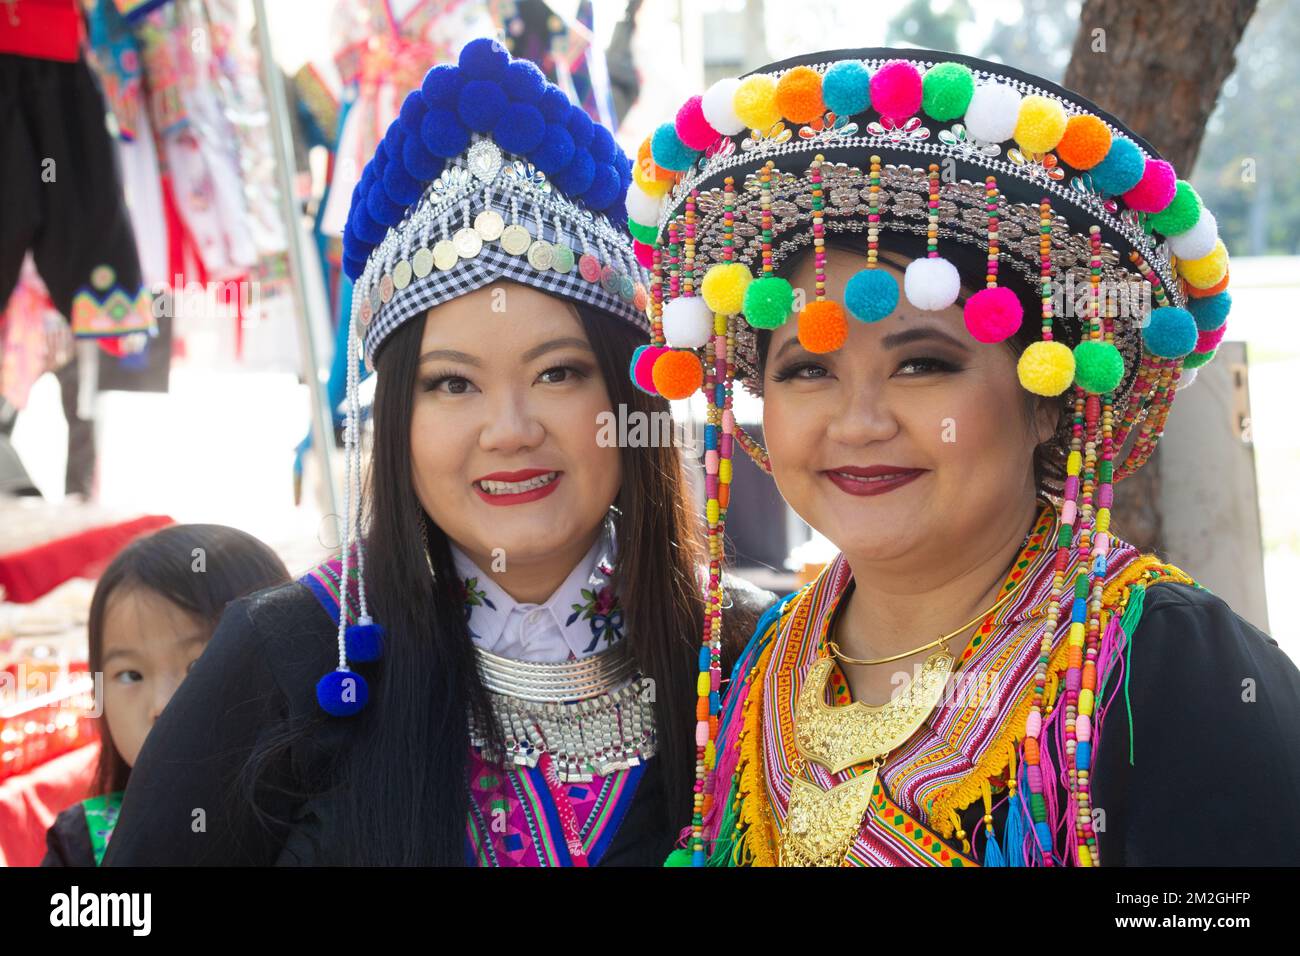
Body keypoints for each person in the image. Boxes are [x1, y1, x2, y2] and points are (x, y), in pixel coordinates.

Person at [103, 37, 772, 867]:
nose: (510, 428)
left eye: (559, 373)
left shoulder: (739, 652)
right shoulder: (291, 652)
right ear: (398, 423)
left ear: (625, 398)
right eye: (453, 385)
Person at [623, 48, 1300, 866]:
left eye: (924, 365)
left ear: (1046, 399)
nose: (860, 422)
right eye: (808, 370)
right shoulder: (765, 658)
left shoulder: (1173, 671)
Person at [41, 524, 290, 866]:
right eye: (131, 675)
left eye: (198, 666)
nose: (161, 706)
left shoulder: (322, 823)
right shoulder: (80, 844)